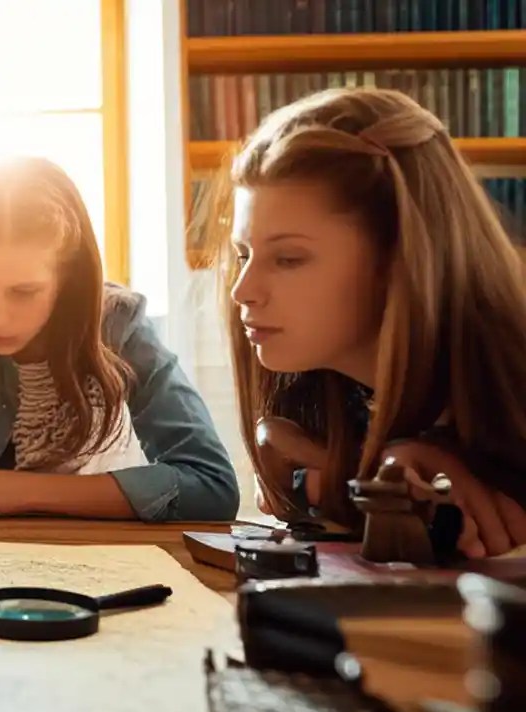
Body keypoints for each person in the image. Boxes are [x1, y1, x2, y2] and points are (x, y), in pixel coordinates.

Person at [211, 86, 526, 557]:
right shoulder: (324, 397)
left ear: (400, 257)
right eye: (243, 255)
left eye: (289, 258)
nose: (243, 290)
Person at [0, 157, 239, 521]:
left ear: (67, 279)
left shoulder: (119, 324)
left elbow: (212, 487)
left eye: (24, 292)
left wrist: (9, 491)